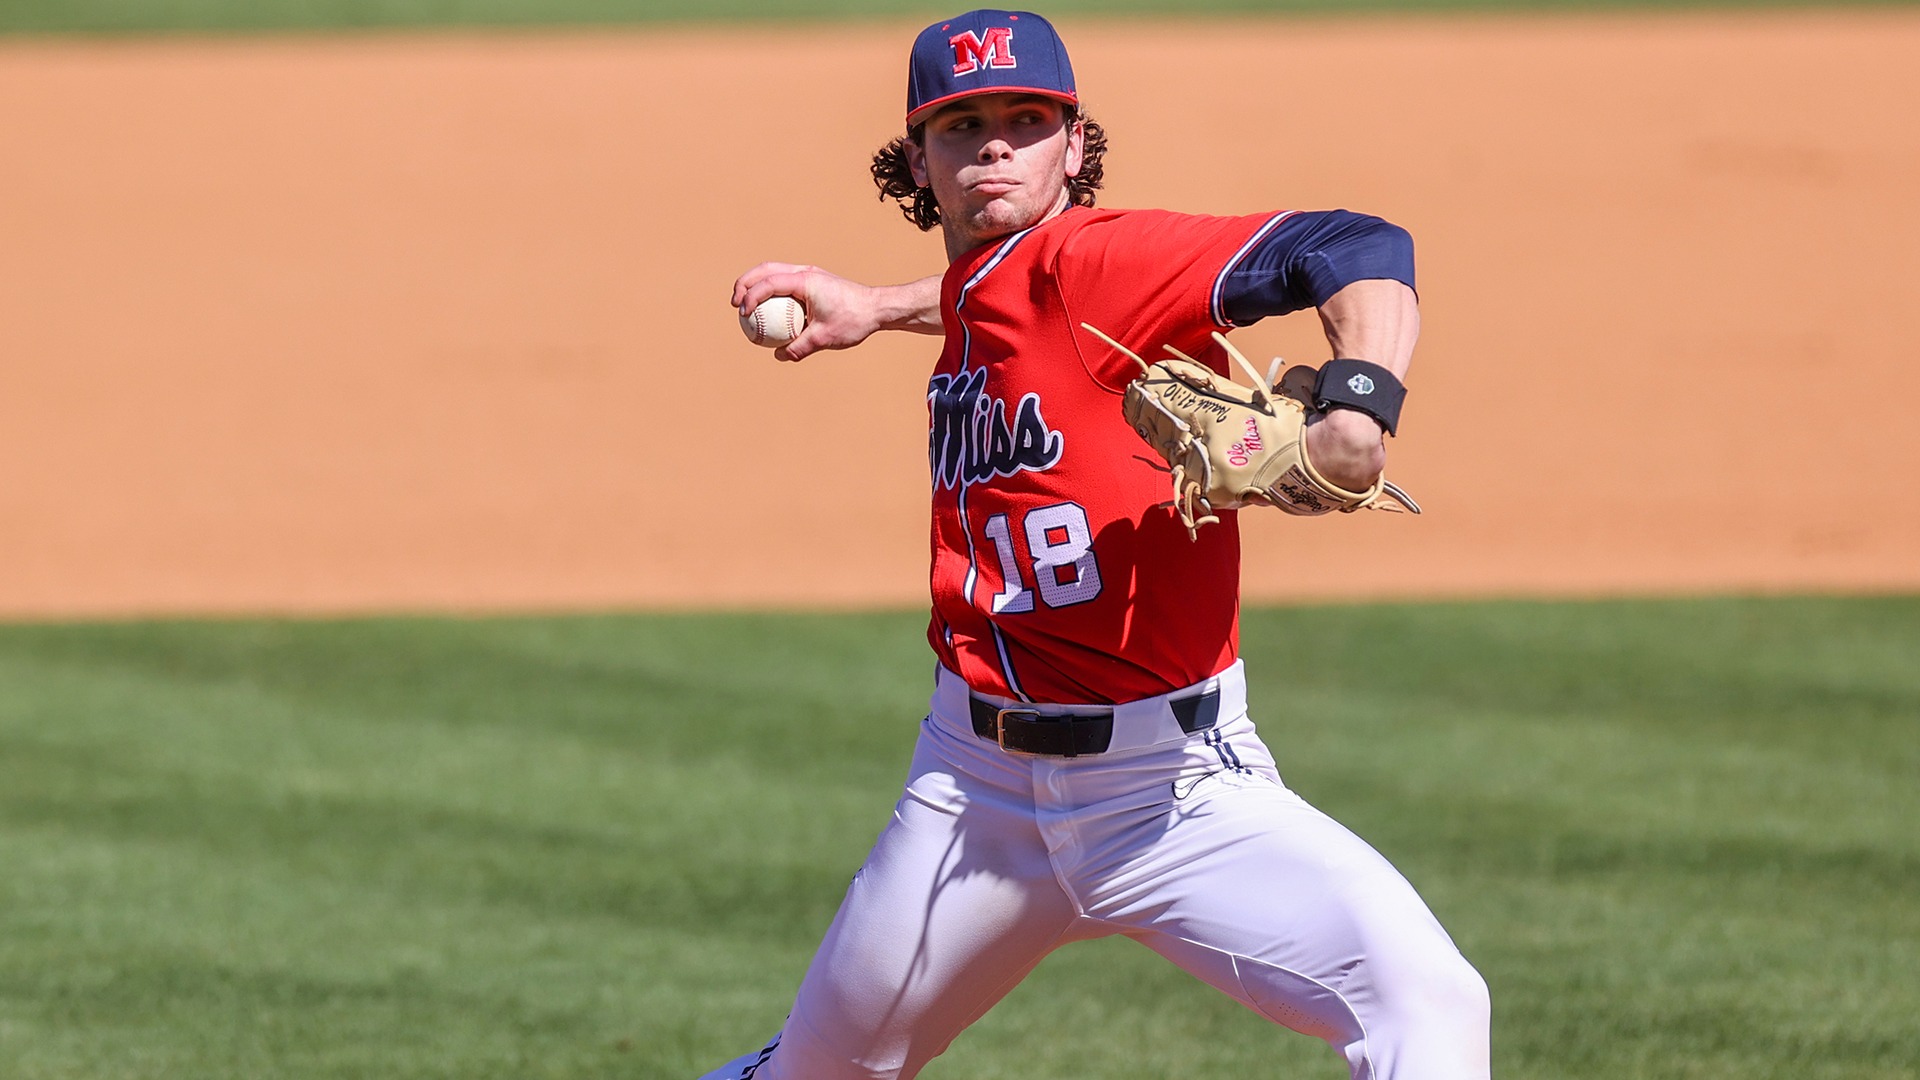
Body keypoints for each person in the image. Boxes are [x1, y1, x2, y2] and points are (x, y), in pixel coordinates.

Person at [705, 9, 1490, 1079]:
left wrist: (1357, 409)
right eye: (961, 125)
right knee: (816, 1073)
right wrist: (878, 307)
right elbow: (999, 296)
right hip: (971, 793)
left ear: (1074, 148)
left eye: (1027, 120)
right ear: (918, 165)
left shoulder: (1104, 257)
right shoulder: (992, 282)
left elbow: (1356, 245)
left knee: (1426, 1003)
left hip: (1175, 789)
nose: (993, 144)